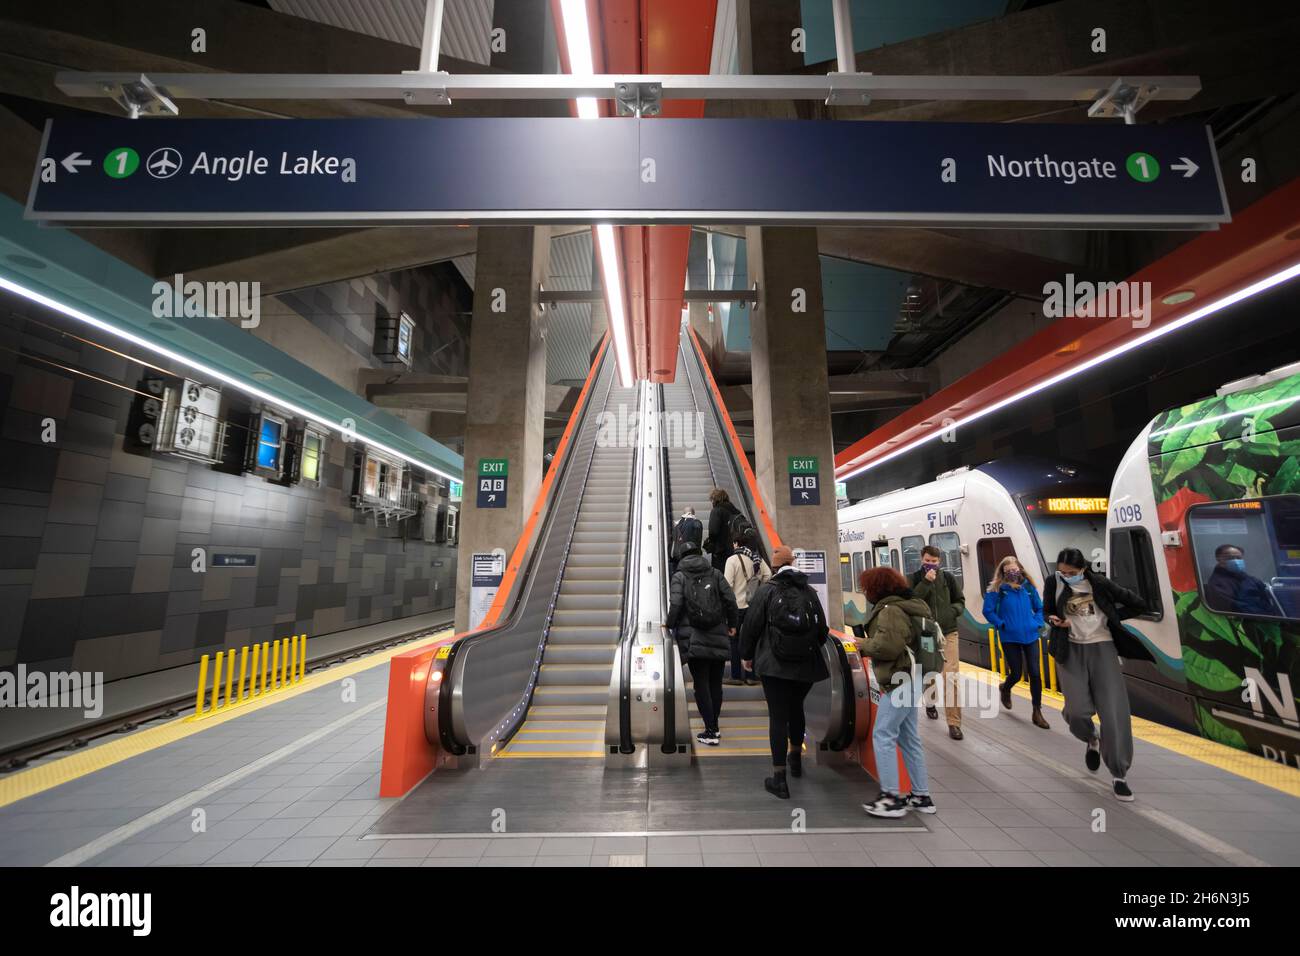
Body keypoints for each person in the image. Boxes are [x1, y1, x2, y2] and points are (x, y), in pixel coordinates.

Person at [1043, 547, 1151, 802]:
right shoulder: (1053, 582)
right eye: (1062, 572)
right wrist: (1053, 619)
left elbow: (1138, 603)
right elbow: (1046, 608)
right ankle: (1091, 738)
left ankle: (1119, 774)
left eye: (1071, 572)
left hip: (1102, 648)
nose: (1065, 576)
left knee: (1113, 712)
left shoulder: (1100, 584)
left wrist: (1109, 616)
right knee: (1076, 711)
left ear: (1083, 569)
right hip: (1070, 651)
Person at [740, 545, 829, 799]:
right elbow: (822, 630)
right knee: (796, 709)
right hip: (806, 665)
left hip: (774, 665)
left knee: (778, 717)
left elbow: (751, 625)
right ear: (794, 563)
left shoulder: (767, 591)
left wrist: (747, 655)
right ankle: (796, 760)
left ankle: (779, 779)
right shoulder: (809, 592)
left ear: (775, 566)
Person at [859, 566, 937, 818]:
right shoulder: (911, 605)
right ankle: (921, 796)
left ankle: (891, 798)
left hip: (901, 679)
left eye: (866, 587)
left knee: (883, 734)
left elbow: (888, 647)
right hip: (914, 677)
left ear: (877, 588)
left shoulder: (890, 610)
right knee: (908, 737)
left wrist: (863, 645)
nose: (864, 592)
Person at [665, 544, 738, 747]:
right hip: (718, 633)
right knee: (715, 683)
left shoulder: (680, 576)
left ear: (681, 556)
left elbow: (677, 604)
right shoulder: (714, 573)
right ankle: (714, 726)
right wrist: (732, 625)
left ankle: (710, 729)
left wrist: (669, 624)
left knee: (701, 684)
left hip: (694, 637)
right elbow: (730, 600)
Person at [983, 556, 1050, 730]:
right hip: (1009, 637)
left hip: (1031, 635)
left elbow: (1040, 608)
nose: (1013, 573)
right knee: (1017, 672)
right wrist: (1000, 623)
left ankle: (1037, 711)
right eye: (1009, 571)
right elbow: (988, 611)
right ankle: (1006, 687)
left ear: (1020, 569)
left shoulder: (1028, 587)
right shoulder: (997, 590)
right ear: (1003, 573)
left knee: (1035, 673)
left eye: (1015, 570)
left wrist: (1036, 623)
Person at [909, 544, 967, 740]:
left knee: (951, 675)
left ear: (939, 561)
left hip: (948, 632)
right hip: (926, 634)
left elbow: (960, 601)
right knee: (931, 672)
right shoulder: (915, 578)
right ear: (921, 559)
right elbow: (911, 601)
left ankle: (954, 723)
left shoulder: (948, 579)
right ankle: (930, 700)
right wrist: (925, 582)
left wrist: (952, 612)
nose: (930, 565)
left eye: (934, 562)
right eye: (927, 561)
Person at [724, 528, 771, 686]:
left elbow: (727, 585)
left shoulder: (732, 560)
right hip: (753, 607)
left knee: (734, 641)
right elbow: (768, 575)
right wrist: (758, 590)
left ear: (736, 543)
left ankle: (736, 676)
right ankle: (751, 676)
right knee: (752, 640)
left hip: (736, 607)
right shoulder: (757, 558)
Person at [1206, 544, 1279, 617]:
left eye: (1239, 558)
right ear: (1219, 559)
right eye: (1230, 558)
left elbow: (1266, 599)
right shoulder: (1218, 584)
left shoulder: (1250, 579)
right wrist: (1267, 615)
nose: (1236, 561)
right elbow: (1237, 608)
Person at [704, 488, 741, 573]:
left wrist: (711, 542)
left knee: (721, 576)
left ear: (715, 499)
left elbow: (713, 531)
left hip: (721, 551)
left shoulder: (717, 511)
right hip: (735, 549)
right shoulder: (736, 511)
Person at [669, 506, 703, 577]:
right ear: (692, 513)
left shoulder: (677, 525)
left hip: (678, 558)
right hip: (693, 558)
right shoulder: (696, 523)